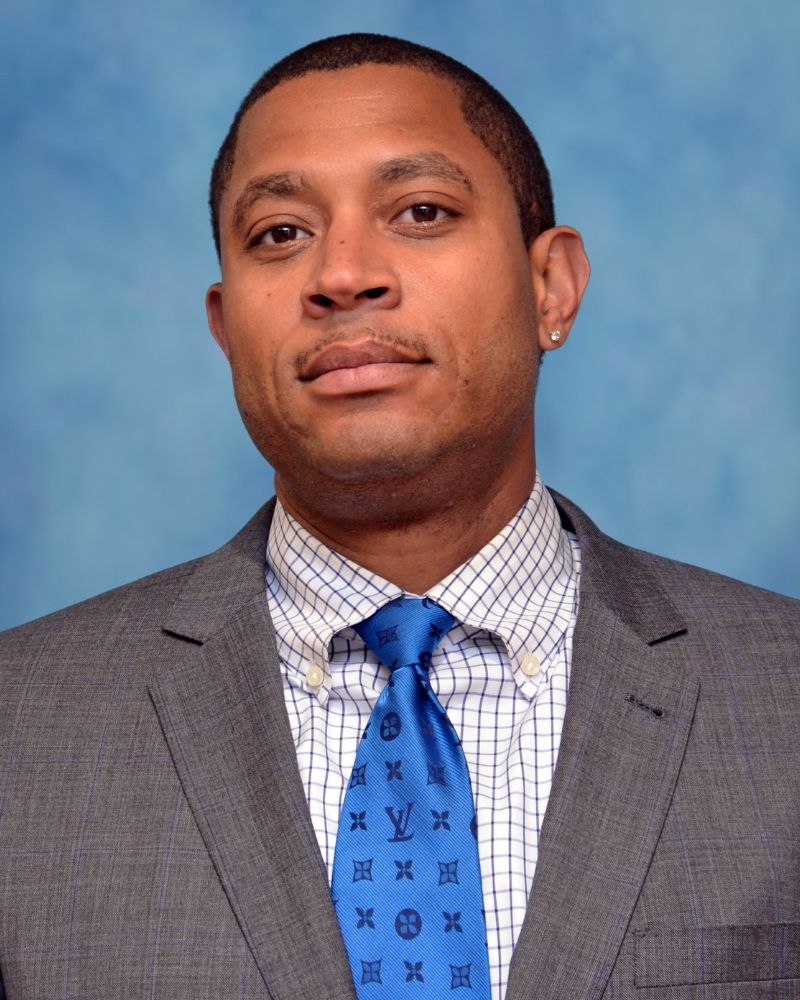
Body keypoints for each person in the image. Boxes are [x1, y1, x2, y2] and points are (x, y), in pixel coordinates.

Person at [0, 32, 798, 1000]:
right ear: (224, 327)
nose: (342, 275)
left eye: (421, 212)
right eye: (279, 233)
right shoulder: (20, 727)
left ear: (550, 286)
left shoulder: (781, 695)